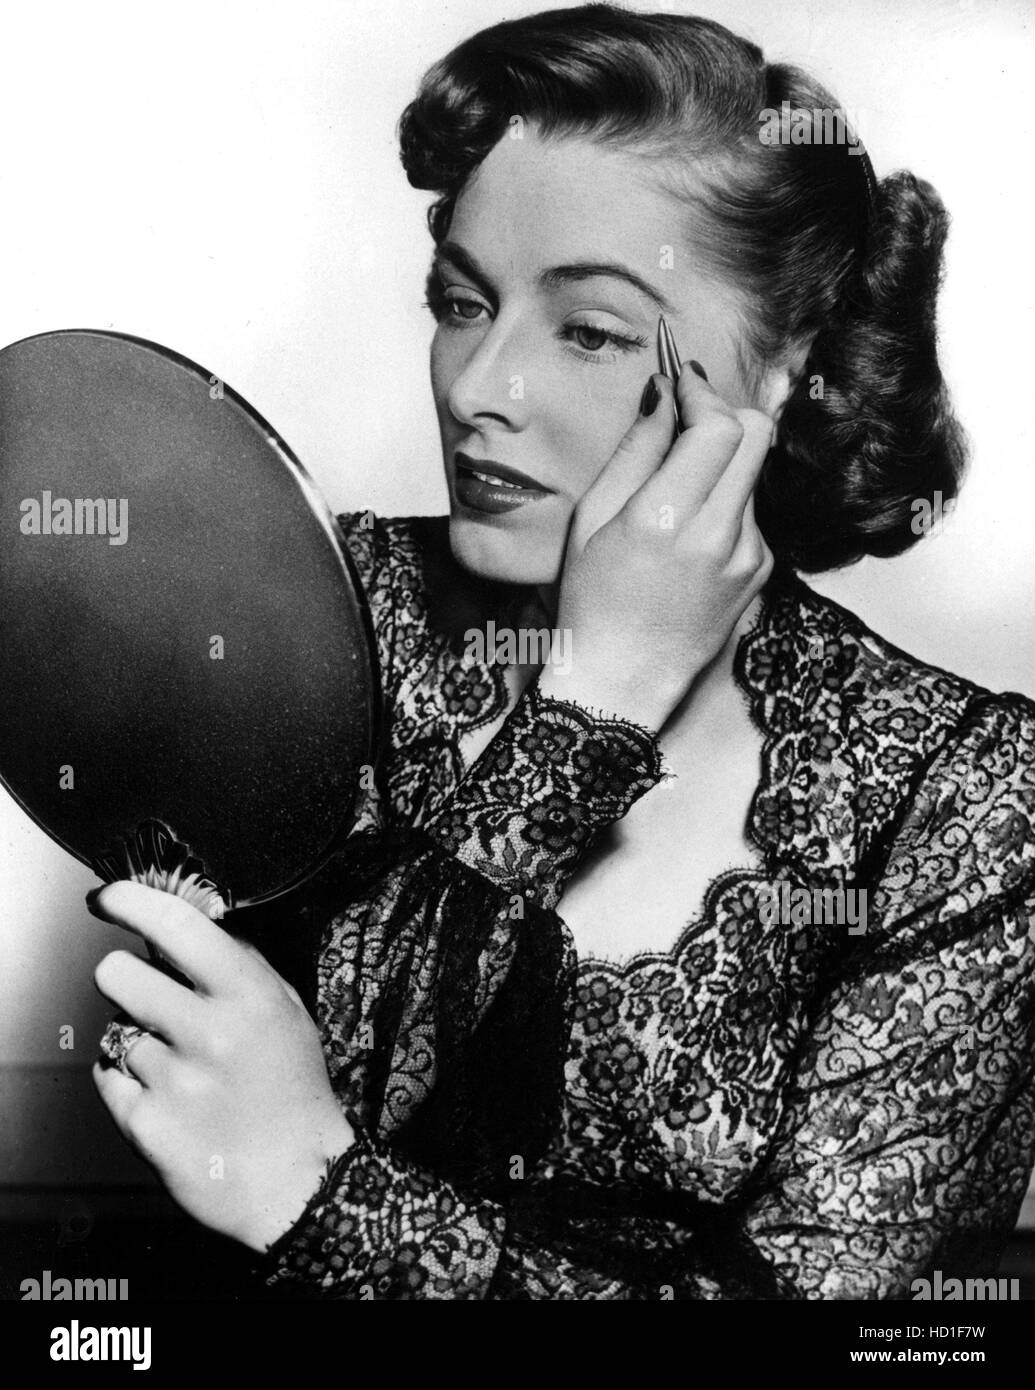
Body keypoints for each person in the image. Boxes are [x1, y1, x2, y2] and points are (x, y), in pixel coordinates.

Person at [89, 5, 1035, 1299]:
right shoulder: (311, 609)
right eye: (460, 302)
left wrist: (314, 1194)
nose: (480, 383)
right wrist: (592, 699)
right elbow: (279, 1106)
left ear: (791, 370)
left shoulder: (960, 794)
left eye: (587, 329)